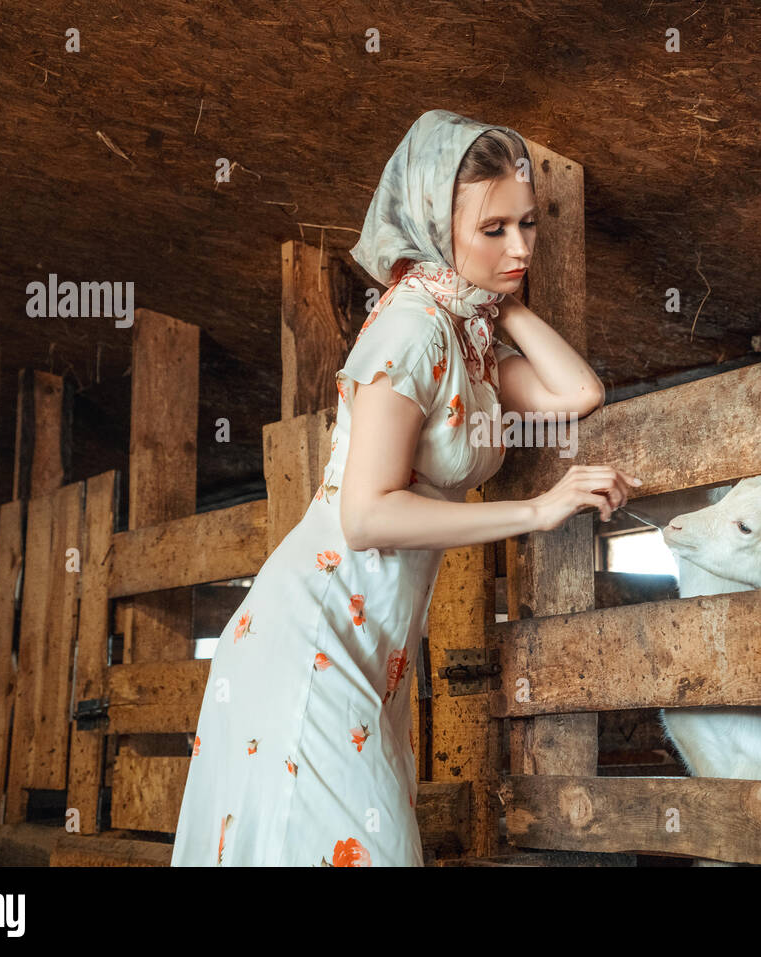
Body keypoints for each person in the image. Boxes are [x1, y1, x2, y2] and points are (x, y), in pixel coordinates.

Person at [170, 108, 639, 866]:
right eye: (494, 229)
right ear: (432, 220)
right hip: (311, 640)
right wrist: (538, 510)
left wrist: (503, 296)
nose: (520, 247)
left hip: (370, 655)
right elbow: (364, 514)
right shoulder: (412, 329)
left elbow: (578, 391)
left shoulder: (466, 333)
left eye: (527, 226)